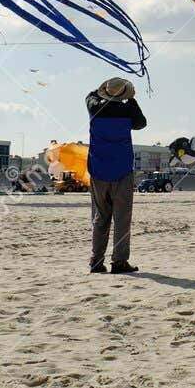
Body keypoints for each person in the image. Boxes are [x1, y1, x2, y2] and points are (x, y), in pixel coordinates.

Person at [86, 76, 147, 274]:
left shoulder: (94, 108)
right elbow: (141, 123)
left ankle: (96, 261)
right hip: (122, 171)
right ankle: (119, 262)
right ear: (124, 94)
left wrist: (104, 90)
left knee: (100, 218)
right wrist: (132, 99)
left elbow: (90, 95)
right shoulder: (128, 111)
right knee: (122, 220)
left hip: (98, 170)